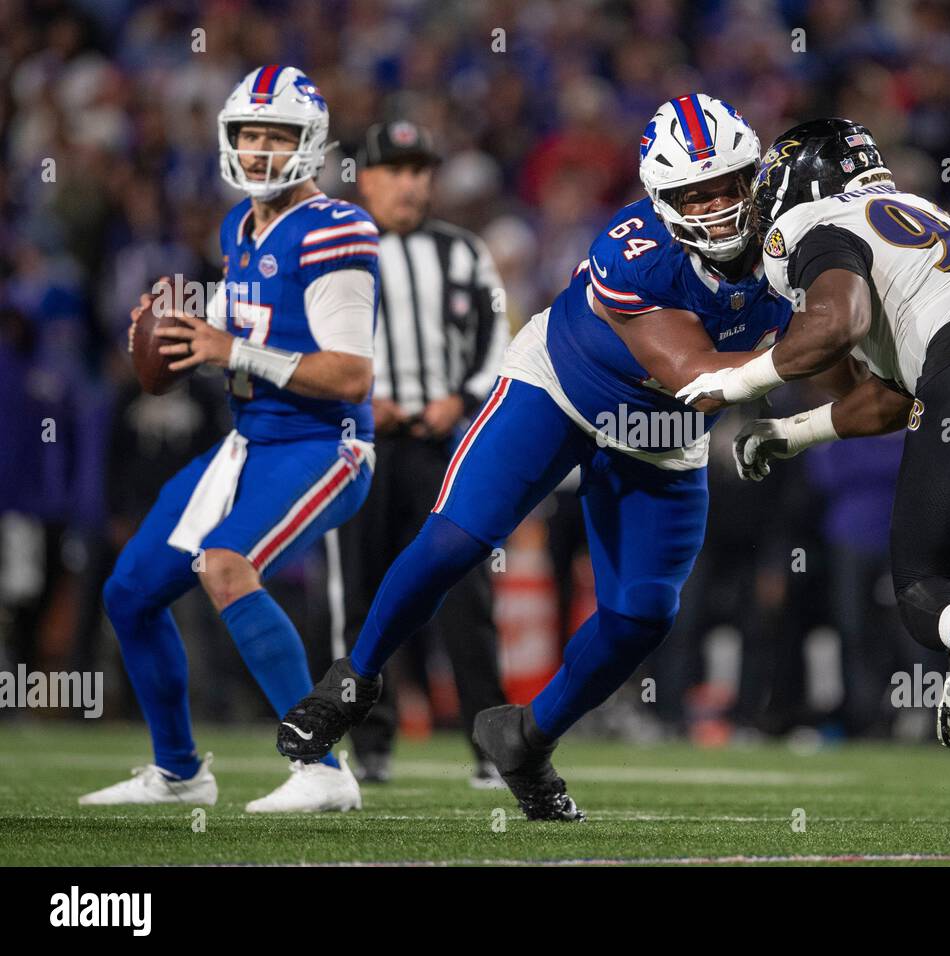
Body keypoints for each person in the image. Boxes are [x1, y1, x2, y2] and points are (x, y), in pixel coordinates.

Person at [275, 94, 792, 821]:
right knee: (456, 539)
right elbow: (700, 380)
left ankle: (526, 738)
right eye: (692, 193)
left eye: (727, 185)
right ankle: (354, 678)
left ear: (755, 177)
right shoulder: (634, 249)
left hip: (661, 433)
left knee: (644, 612)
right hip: (567, 387)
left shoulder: (793, 239)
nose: (714, 207)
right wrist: (798, 350)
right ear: (659, 199)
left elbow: (838, 347)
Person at [677, 119, 950, 843]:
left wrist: (732, 384)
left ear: (794, 182)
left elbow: (836, 324)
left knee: (922, 580)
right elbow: (888, 392)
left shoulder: (812, 223)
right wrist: (789, 433)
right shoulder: (927, 219)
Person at [81, 66, 379, 813]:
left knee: (226, 564)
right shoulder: (237, 225)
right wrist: (179, 328)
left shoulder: (337, 228)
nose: (258, 150)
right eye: (249, 134)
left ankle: (323, 769)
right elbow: (238, 311)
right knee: (130, 593)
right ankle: (181, 772)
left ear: (309, 145)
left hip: (326, 443)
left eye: (276, 136)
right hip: (251, 442)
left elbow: (350, 375)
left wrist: (229, 351)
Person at [333, 121, 510, 786]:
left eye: (420, 170)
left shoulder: (464, 252)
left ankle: (489, 739)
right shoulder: (334, 247)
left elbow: (499, 339)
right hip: (363, 448)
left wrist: (460, 398)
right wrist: (358, 398)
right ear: (366, 178)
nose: (411, 183)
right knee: (358, 594)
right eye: (396, 170)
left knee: (466, 593)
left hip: (442, 447)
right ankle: (368, 742)